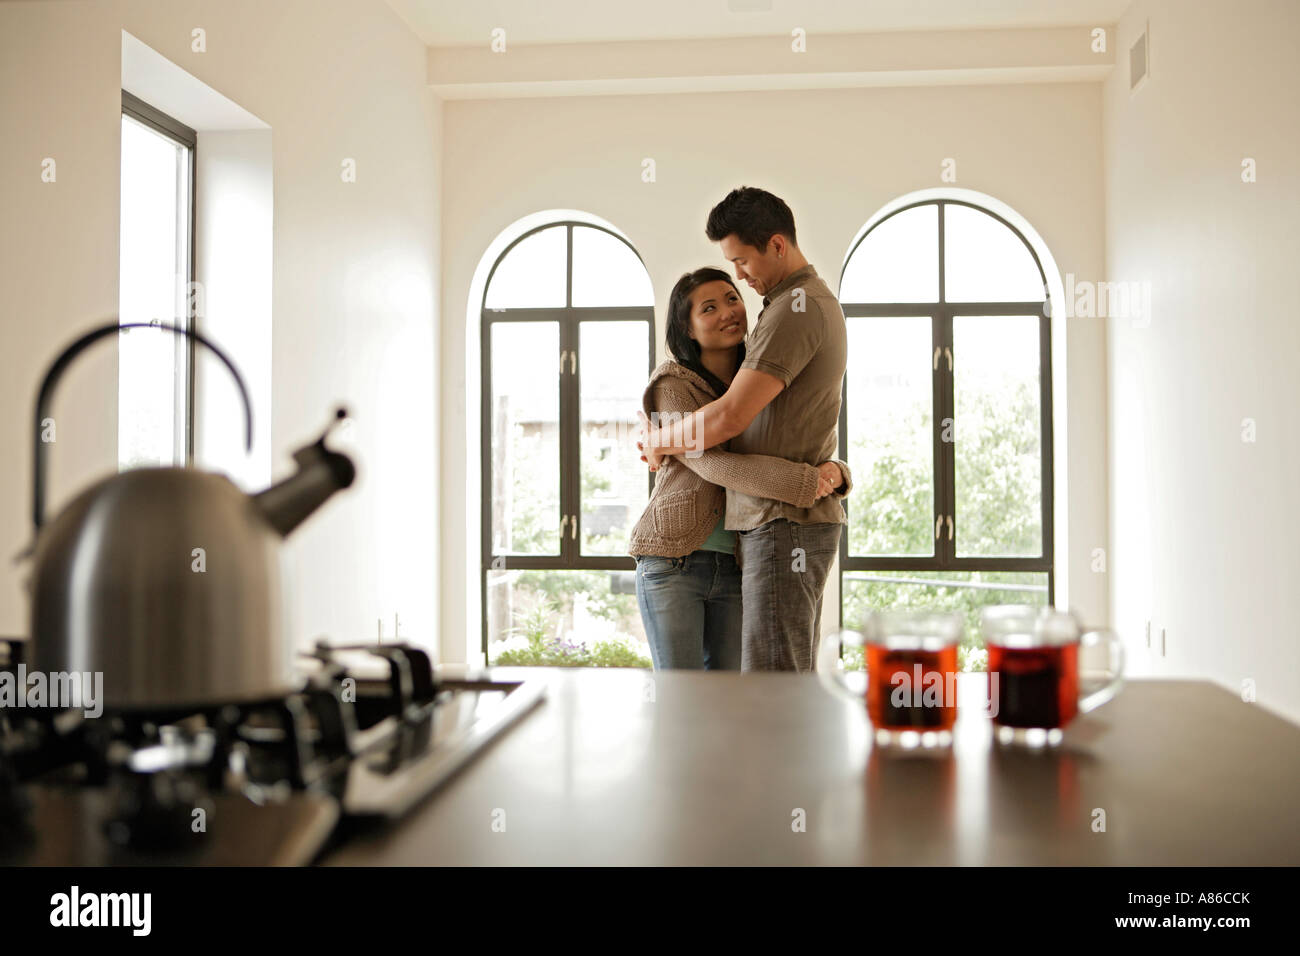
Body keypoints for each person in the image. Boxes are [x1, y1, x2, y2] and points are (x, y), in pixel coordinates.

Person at [639, 187, 849, 672]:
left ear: (777, 245)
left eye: (741, 265)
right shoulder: (678, 381)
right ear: (686, 327)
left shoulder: (793, 309)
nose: (739, 278)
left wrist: (658, 440)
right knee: (761, 684)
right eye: (707, 307)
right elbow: (731, 447)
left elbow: (733, 419)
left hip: (780, 524)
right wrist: (813, 478)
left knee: (771, 684)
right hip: (701, 550)